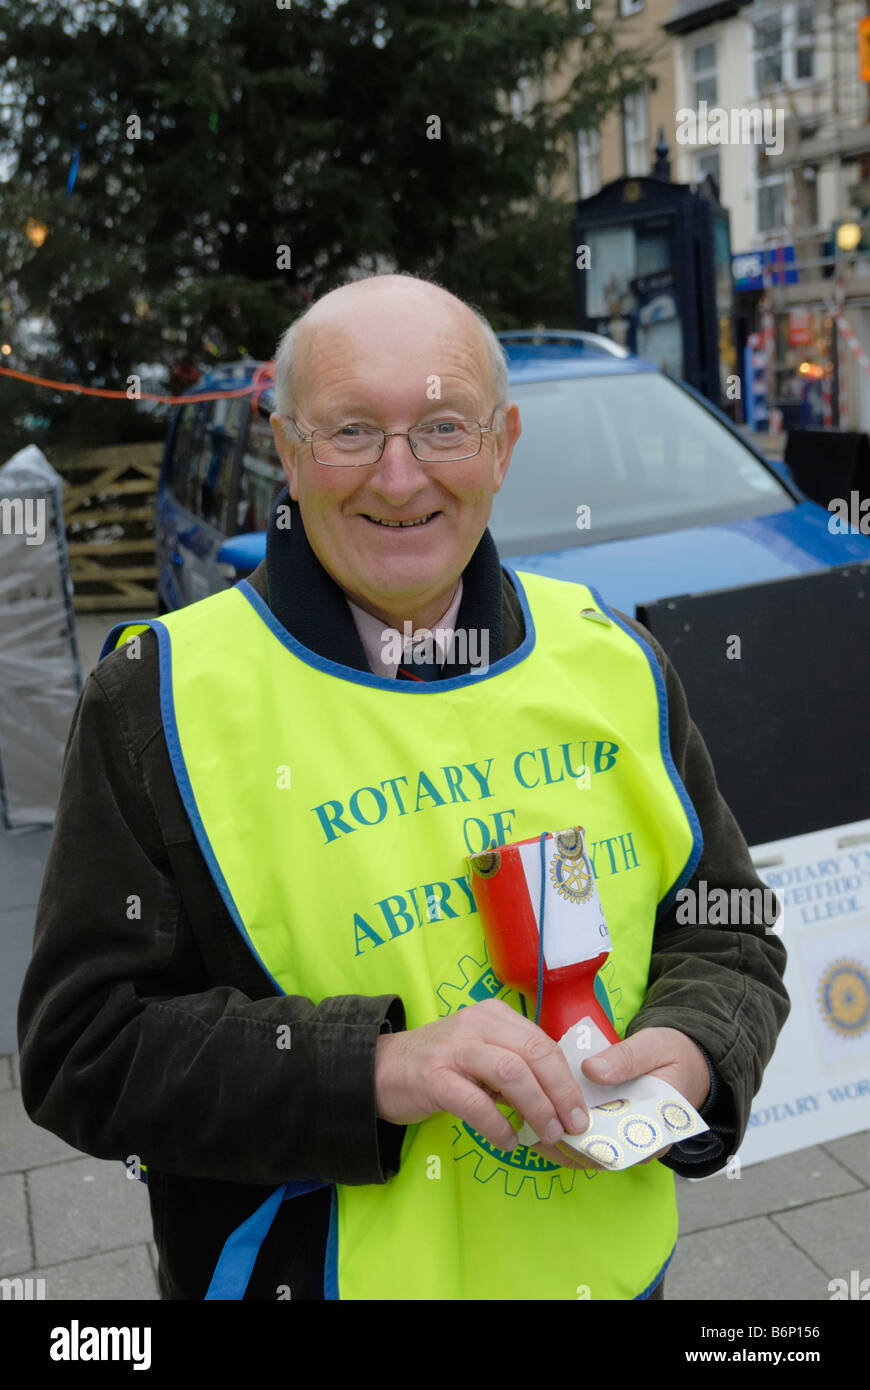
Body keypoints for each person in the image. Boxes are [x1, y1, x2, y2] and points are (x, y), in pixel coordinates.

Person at [18, 273, 789, 1301]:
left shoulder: (614, 658)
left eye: (442, 427)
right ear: (286, 452)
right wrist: (374, 1070)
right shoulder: (155, 697)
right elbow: (82, 1048)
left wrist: (691, 1053)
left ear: (502, 445)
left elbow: (730, 936)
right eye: (348, 432)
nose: (396, 476)